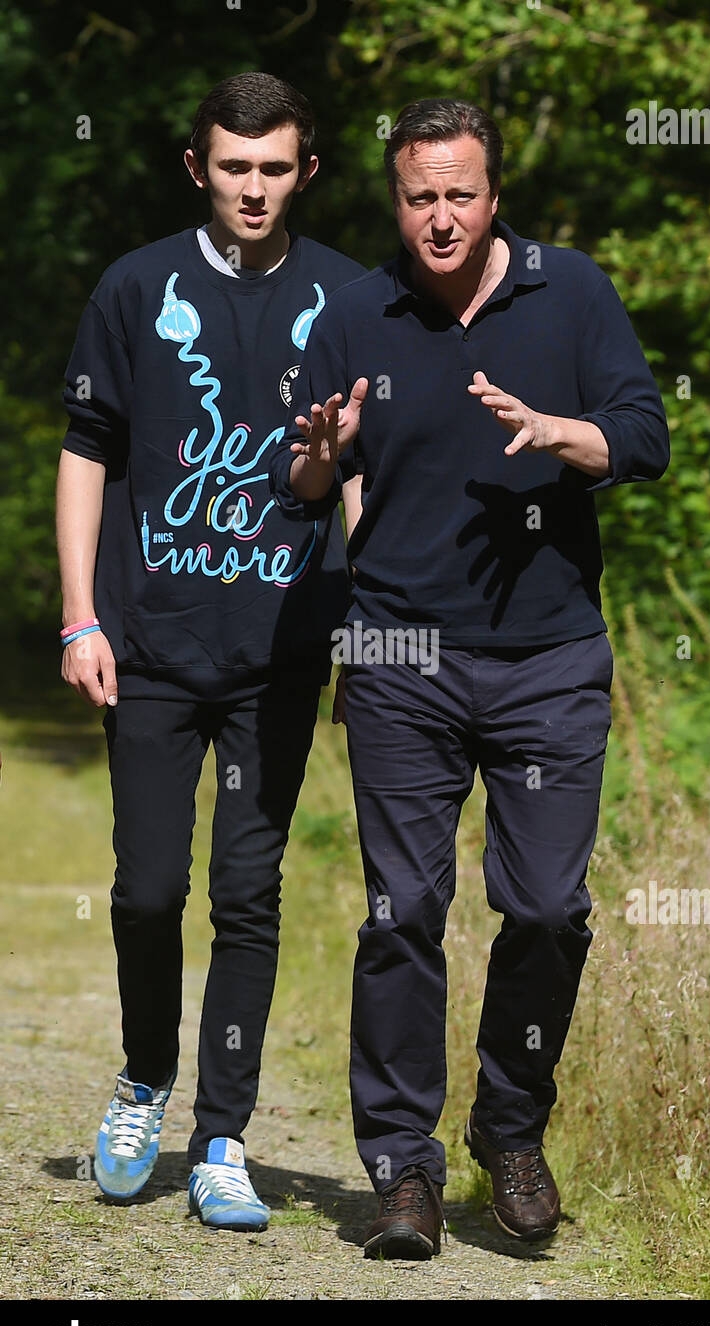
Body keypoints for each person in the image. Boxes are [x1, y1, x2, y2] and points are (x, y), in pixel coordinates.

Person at [270, 98, 669, 1259]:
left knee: (547, 908)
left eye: (459, 193)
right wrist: (316, 459)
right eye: (417, 196)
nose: (439, 217)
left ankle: (510, 1127)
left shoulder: (572, 292)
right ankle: (401, 1168)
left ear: (494, 198)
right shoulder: (354, 314)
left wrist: (563, 432)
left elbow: (643, 435)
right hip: (398, 653)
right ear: (394, 203)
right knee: (403, 913)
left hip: (548, 658)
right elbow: (304, 482)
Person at [57, 71, 364, 1230]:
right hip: (146, 647)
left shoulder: (348, 297)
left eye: (274, 167)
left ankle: (222, 1136)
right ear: (200, 169)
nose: (253, 186)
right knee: (147, 890)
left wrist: (370, 631)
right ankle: (144, 1076)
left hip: (280, 650)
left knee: (247, 890)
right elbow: (88, 449)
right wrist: (81, 613)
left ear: (306, 172)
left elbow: (357, 486)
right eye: (234, 166)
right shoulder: (137, 287)